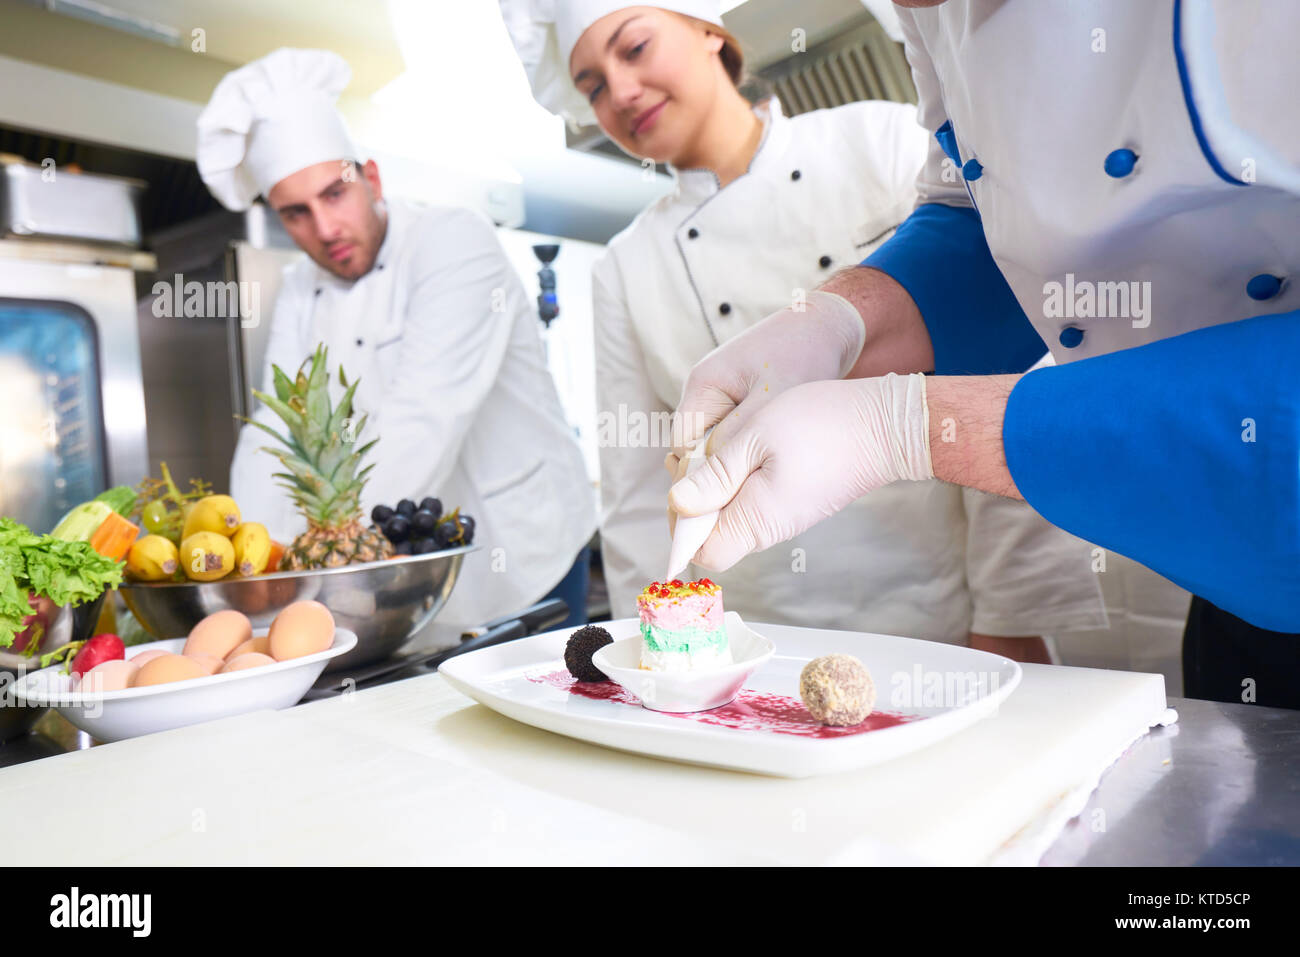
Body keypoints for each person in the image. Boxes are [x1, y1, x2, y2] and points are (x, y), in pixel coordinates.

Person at [665, 0, 1300, 707]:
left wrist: (903, 429)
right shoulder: (933, 18)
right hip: (1243, 581)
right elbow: (986, 226)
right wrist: (839, 319)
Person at [501, 1, 1107, 656]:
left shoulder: (879, 141)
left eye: (635, 47)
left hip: (937, 629)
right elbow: (635, 496)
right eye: (590, 85)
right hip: (746, 645)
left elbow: (1010, 362)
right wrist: (648, 652)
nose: (618, 92)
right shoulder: (623, 266)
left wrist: (1014, 614)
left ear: (710, 33)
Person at [196, 48, 596, 629]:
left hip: (523, 551)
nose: (325, 228)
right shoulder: (298, 286)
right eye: (296, 213)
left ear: (372, 178)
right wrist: (255, 569)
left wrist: (316, 572)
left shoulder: (453, 242)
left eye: (335, 193)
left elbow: (424, 416)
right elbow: (274, 430)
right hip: (402, 567)